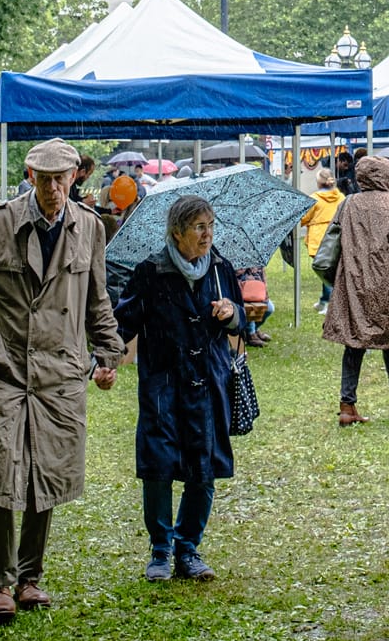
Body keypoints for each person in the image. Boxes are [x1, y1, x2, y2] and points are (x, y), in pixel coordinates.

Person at [0, 138, 126, 625]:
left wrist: (109, 351)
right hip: (4, 370)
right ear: (30, 176)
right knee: (0, 474)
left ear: (76, 177)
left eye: (63, 179)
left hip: (61, 374)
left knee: (47, 474)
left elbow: (97, 299)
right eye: (45, 179)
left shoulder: (91, 229)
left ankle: (30, 577)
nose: (55, 188)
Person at [114, 195, 245, 582]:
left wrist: (232, 313)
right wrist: (104, 358)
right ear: (177, 232)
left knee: (203, 468)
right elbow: (125, 321)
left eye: (211, 226)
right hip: (163, 384)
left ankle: (188, 548)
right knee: (158, 466)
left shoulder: (221, 269)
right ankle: (160, 550)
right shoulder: (151, 271)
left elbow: (241, 325)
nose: (207, 235)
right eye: (199, 227)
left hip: (209, 381)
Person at [323, 155, 389, 425]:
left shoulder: (348, 203)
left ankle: (347, 404)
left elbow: (334, 240)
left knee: (355, 340)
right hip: (387, 281)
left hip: (352, 280)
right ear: (387, 176)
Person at [300, 169, 344, 313]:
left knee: (325, 271)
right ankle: (324, 300)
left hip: (318, 239)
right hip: (336, 238)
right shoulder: (341, 197)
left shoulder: (315, 198)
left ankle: (328, 305)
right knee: (329, 270)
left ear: (319, 182)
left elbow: (304, 218)